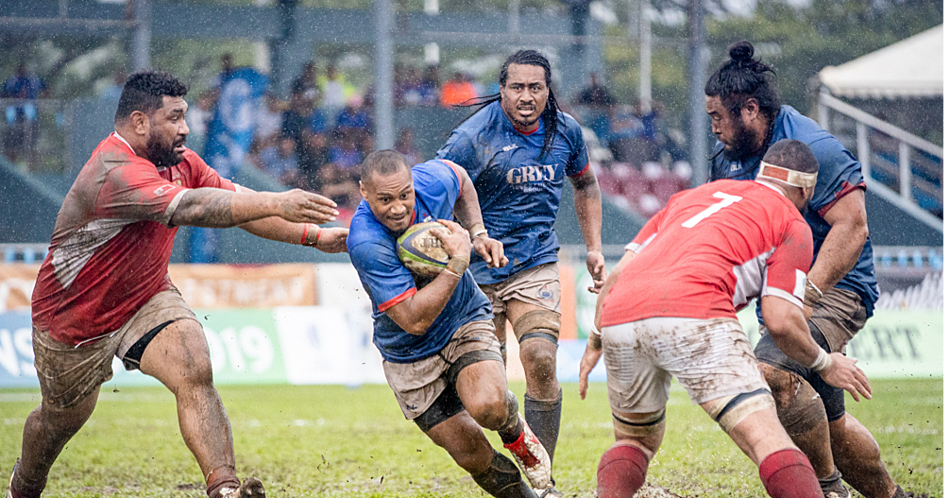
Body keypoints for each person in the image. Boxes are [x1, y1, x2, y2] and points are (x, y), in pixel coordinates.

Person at [6, 71, 348, 498]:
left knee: (193, 366)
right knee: (60, 422)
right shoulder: (114, 171)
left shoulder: (180, 160)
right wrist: (279, 199)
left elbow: (238, 204)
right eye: (175, 117)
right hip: (75, 319)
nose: (186, 127)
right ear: (140, 121)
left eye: (185, 116)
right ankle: (25, 484)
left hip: (146, 296)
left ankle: (225, 489)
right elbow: (200, 208)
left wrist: (315, 237)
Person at [578, 139, 873, 498]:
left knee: (634, 443)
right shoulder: (792, 223)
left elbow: (616, 278)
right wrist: (825, 363)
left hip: (620, 316)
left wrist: (595, 339)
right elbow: (781, 321)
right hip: (695, 310)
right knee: (767, 440)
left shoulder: (691, 197)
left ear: (762, 174)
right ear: (806, 189)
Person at [705, 41, 904, 498]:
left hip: (837, 287)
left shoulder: (814, 148)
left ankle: (827, 490)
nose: (713, 128)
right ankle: (892, 496)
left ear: (750, 110)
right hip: (779, 290)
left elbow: (853, 229)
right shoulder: (730, 158)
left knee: (773, 374)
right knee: (828, 420)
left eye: (718, 117)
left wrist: (804, 297)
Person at [437, 49, 605, 498]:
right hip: (474, 275)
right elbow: (435, 190)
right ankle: (509, 462)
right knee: (486, 394)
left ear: (548, 90)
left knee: (542, 361)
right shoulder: (471, 137)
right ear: (502, 89)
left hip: (535, 264)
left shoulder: (566, 131)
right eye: (517, 87)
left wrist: (592, 248)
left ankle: (542, 479)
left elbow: (586, 184)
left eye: (536, 87)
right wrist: (460, 243)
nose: (526, 96)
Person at [346, 150, 552, 497]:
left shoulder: (431, 182)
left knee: (489, 407)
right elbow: (413, 319)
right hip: (409, 352)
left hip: (463, 320)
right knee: (473, 455)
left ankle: (513, 427)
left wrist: (479, 232)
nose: (398, 207)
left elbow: (459, 176)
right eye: (385, 200)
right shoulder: (366, 242)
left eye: (404, 195)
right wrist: (457, 261)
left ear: (413, 184)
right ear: (363, 192)